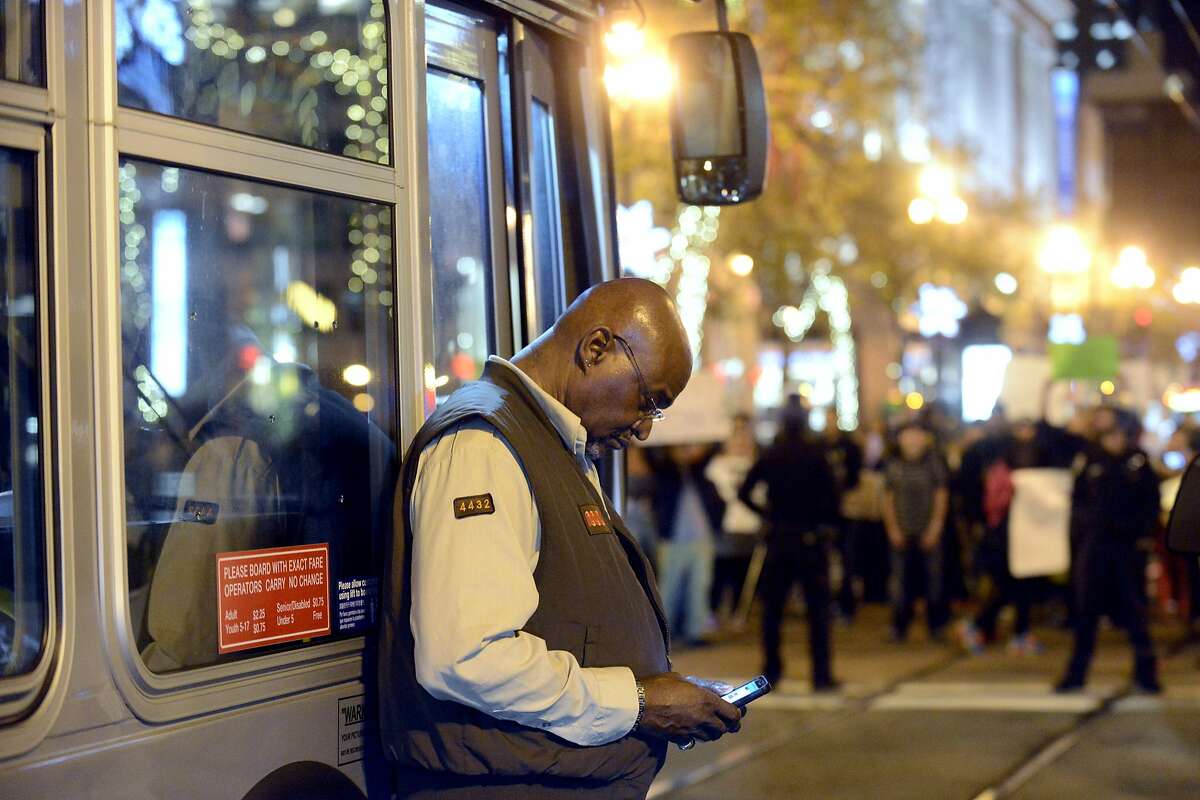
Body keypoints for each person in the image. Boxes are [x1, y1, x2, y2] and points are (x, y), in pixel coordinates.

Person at [378, 278, 743, 798]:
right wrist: (638, 700)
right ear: (596, 349)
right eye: (647, 401)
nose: (644, 429)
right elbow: (467, 656)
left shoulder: (547, 440)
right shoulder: (484, 444)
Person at [1056, 408, 1162, 693]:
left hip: (1128, 547)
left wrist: (1143, 534)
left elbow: (1151, 503)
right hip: (1096, 545)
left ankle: (1146, 673)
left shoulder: (1138, 462)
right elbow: (1077, 501)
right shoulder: (1090, 459)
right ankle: (1076, 673)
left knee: (1135, 611)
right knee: (1086, 612)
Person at [738, 397, 840, 691]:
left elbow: (744, 491)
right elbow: (833, 498)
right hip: (810, 539)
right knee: (817, 612)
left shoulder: (771, 453)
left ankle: (772, 672)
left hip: (779, 538)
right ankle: (821, 675)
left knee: (773, 611)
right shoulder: (817, 454)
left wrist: (767, 515)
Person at [648, 444, 723, 646]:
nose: (687, 451)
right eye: (681, 448)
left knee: (700, 587)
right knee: (668, 588)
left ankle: (694, 632)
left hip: (702, 540)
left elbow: (710, 454)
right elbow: (653, 458)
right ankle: (663, 633)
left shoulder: (699, 475)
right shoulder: (666, 474)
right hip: (673, 541)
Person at [882, 421, 950, 642]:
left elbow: (941, 495)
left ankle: (936, 625)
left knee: (934, 581)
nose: (912, 440)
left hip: (928, 529)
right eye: (908, 435)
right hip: (902, 530)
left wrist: (935, 527)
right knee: (900, 582)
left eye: (917, 435)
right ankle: (899, 625)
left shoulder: (934, 463)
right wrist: (892, 528)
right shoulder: (893, 465)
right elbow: (888, 498)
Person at [704, 414, 762, 622]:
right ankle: (714, 611)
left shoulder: (755, 463)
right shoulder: (716, 465)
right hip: (726, 525)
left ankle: (739, 611)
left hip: (750, 525)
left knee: (743, 573)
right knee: (721, 570)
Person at [819, 408, 864, 622]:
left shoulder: (849, 447)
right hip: (825, 513)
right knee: (825, 562)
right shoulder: (818, 447)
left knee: (847, 560)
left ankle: (846, 606)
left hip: (845, 511)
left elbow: (855, 477)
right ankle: (828, 604)